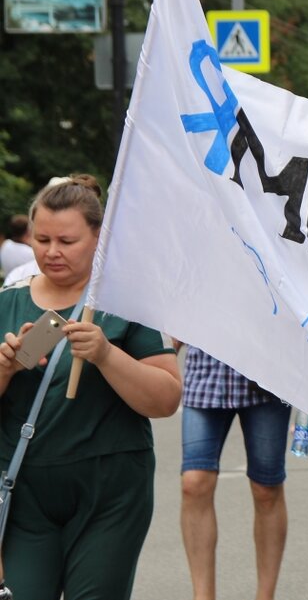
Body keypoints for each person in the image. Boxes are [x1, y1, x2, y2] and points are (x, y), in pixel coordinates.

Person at [0, 175, 182, 598]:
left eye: (67, 240)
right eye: (41, 239)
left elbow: (167, 398)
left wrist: (106, 354)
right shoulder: (8, 302)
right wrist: (6, 367)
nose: (51, 251)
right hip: (25, 490)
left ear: (99, 238)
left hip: (110, 493)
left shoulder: (126, 301)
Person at [178, 348, 291, 600]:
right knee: (194, 483)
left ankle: (265, 596)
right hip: (205, 372)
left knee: (266, 489)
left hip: (266, 375)